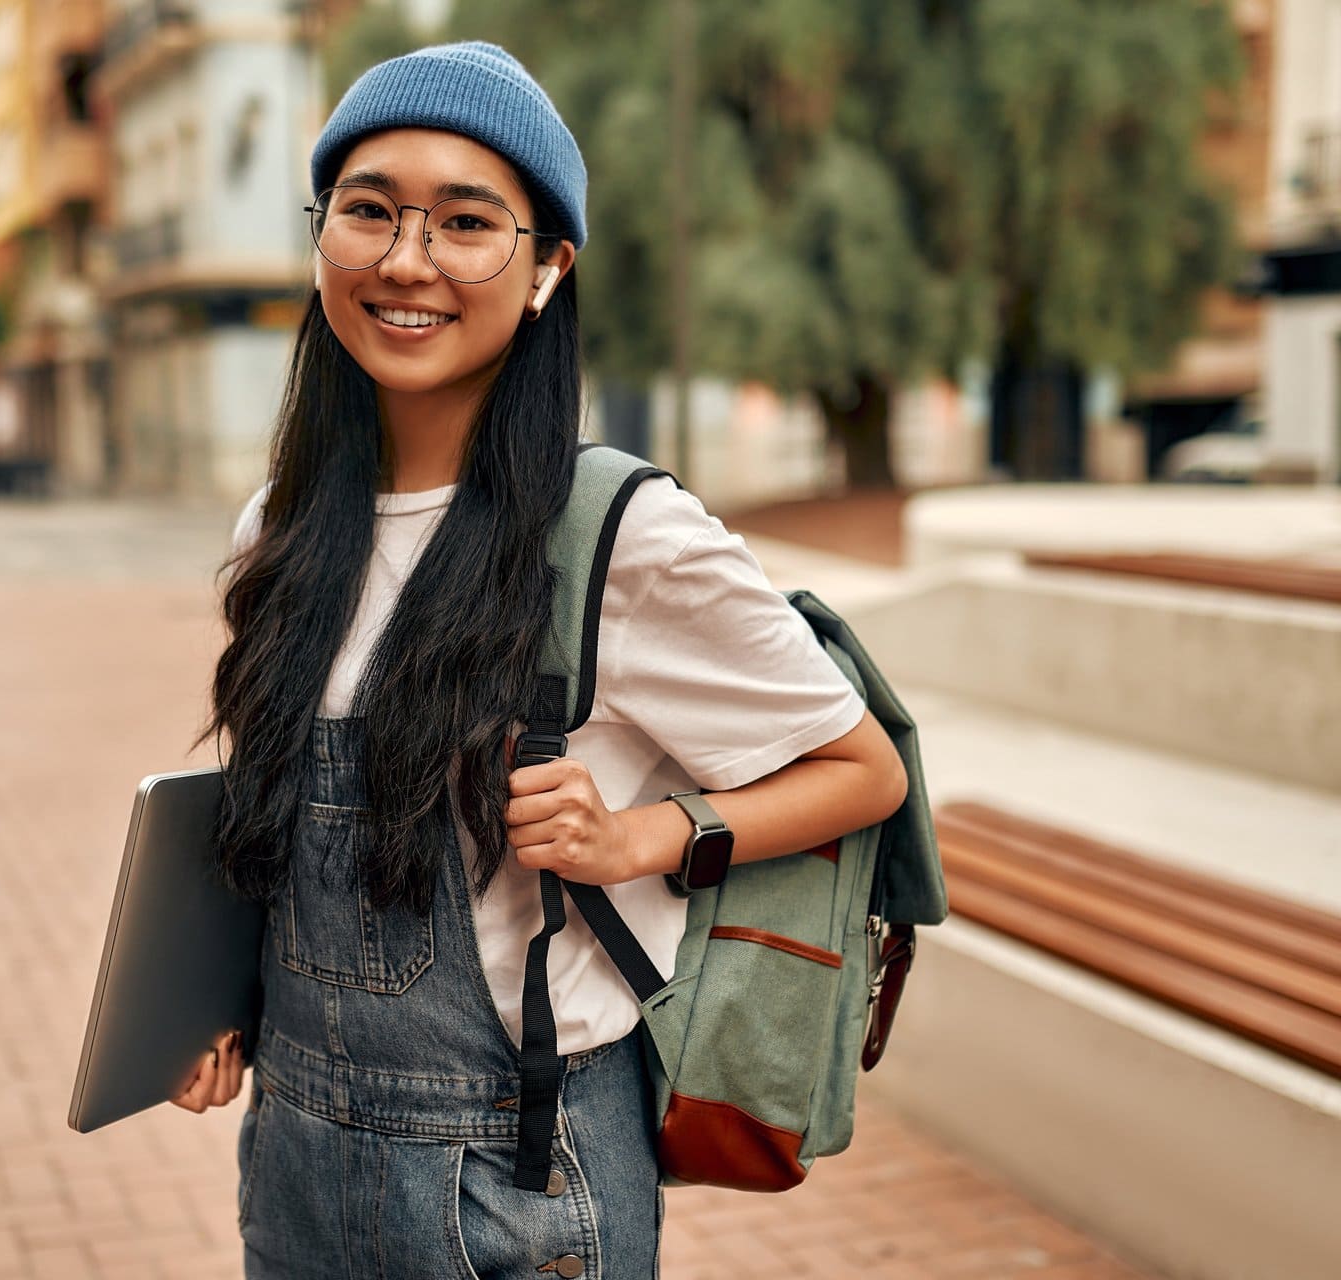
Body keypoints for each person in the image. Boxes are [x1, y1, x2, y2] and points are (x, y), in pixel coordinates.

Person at [176, 42, 909, 1279]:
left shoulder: (619, 534)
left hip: (516, 1187)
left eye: (467, 222)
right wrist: (216, 997)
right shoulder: (283, 526)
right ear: (323, 241)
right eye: (368, 210)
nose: (407, 260)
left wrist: (638, 837)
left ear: (547, 268)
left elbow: (861, 767)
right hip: (291, 1164)